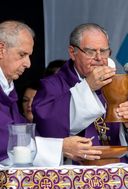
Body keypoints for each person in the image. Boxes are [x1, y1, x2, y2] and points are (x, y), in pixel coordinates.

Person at [32, 23, 128, 164]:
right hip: (75, 176)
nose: (99, 58)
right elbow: (48, 127)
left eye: (104, 51)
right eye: (91, 51)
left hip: (115, 174)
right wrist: (88, 87)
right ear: (72, 52)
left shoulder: (116, 85)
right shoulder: (52, 86)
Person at [0, 20, 102, 167]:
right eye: (22, 54)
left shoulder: (6, 85)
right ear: (1, 49)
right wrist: (60, 147)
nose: (28, 64)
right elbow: (4, 138)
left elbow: (19, 132)